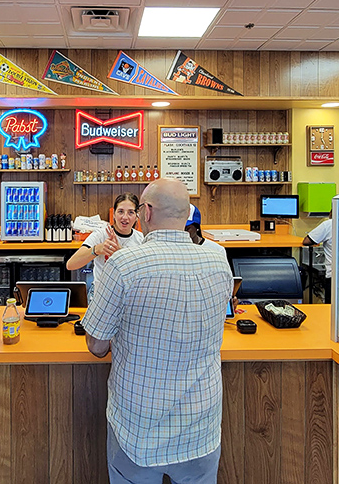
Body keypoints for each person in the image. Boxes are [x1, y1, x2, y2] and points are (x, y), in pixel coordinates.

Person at [82, 178, 233, 484]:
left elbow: (97, 345)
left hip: (139, 429)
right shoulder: (218, 257)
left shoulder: (125, 264)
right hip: (200, 428)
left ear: (146, 213)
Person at [66, 192, 144, 301]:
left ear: (137, 216)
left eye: (130, 212)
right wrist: (97, 249)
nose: (125, 217)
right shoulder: (101, 234)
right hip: (100, 294)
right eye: (120, 211)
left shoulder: (142, 239)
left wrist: (121, 254)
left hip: (129, 296)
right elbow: (71, 264)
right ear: (114, 215)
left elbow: (143, 274)